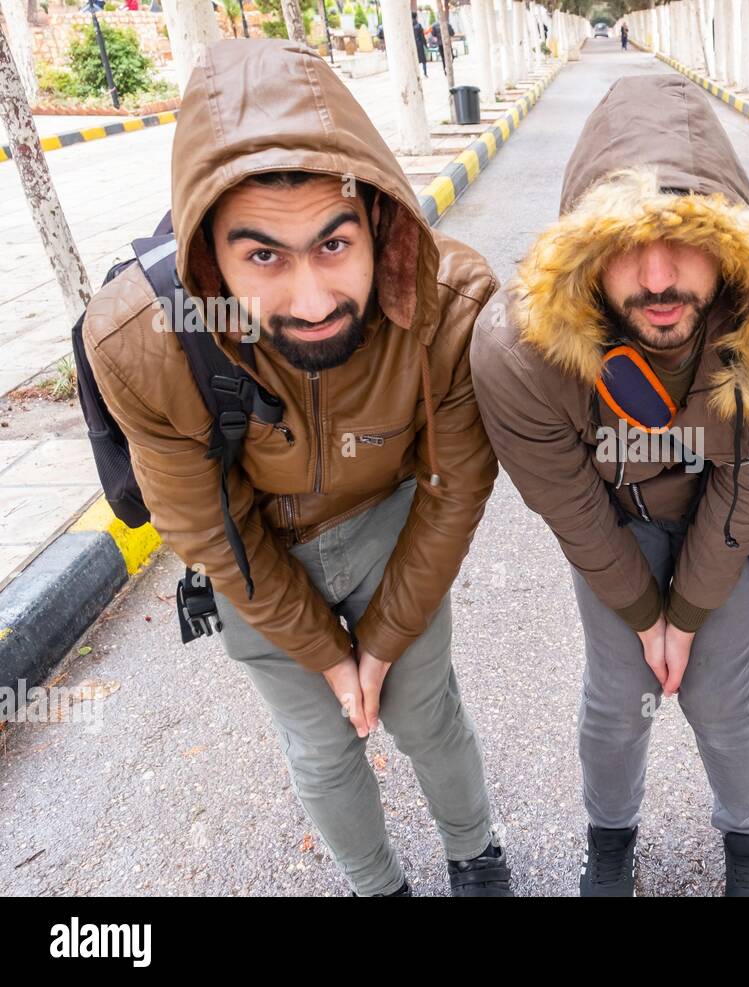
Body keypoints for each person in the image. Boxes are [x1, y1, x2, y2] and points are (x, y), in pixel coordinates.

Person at [81, 40, 513, 897]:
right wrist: (327, 653)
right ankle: (376, 885)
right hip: (258, 552)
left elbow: (455, 487)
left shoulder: (448, 303)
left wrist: (381, 647)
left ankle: (476, 853)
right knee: (323, 742)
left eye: (334, 243)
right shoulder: (143, 340)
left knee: (424, 713)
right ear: (211, 257)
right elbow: (208, 526)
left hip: (394, 524)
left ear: (379, 225)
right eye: (264, 257)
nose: (313, 300)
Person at [471, 75, 749, 897]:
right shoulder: (516, 347)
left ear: (735, 246)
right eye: (623, 246)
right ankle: (610, 841)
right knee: (618, 694)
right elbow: (567, 502)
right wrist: (645, 615)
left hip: (727, 512)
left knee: (719, 690)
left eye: (690, 240)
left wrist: (689, 613)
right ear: (583, 254)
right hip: (615, 517)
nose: (660, 276)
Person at [412, 11, 429, 76]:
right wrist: (425, 45)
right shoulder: (418, 25)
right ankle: (425, 73)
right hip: (419, 44)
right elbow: (422, 36)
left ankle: (416, 74)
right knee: (423, 60)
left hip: (413, 45)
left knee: (415, 60)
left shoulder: (409, 26)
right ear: (416, 17)